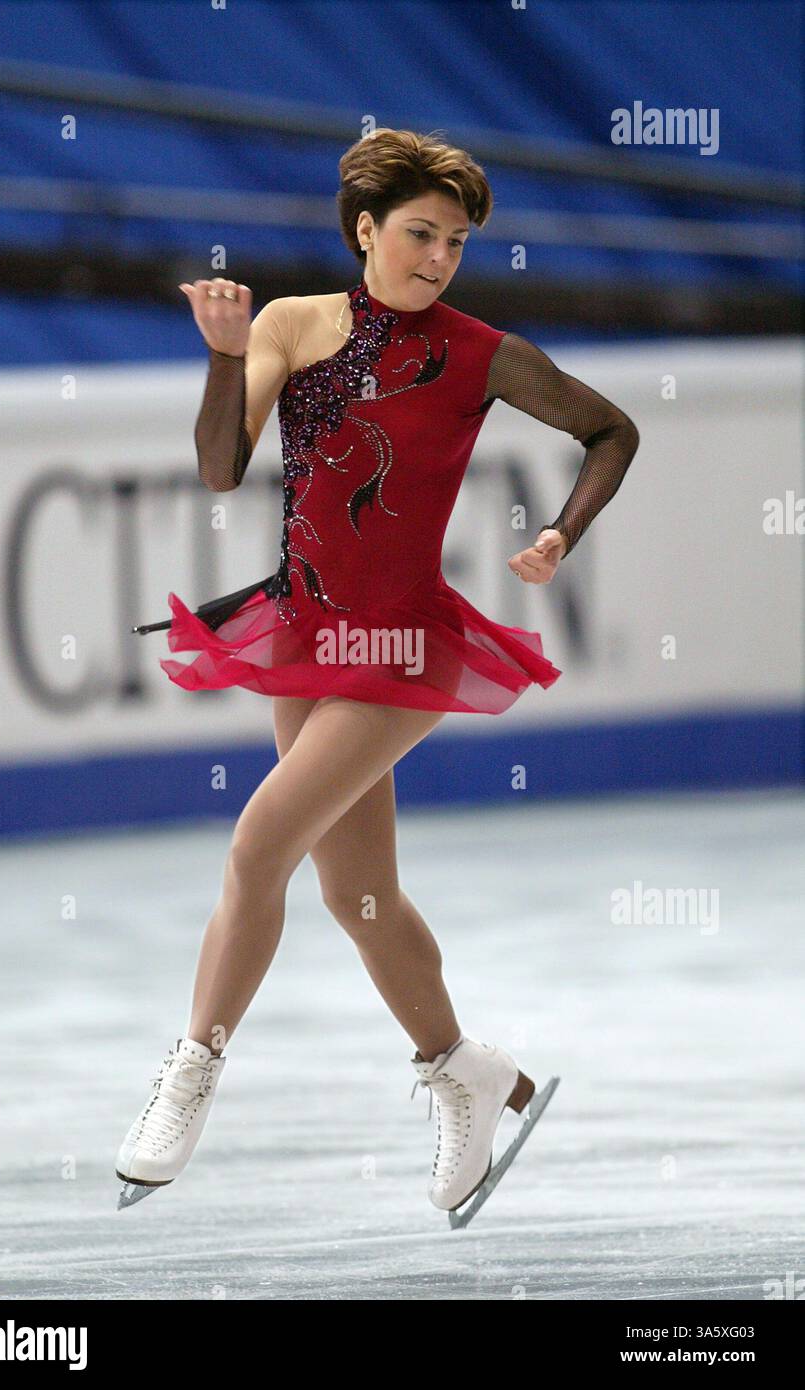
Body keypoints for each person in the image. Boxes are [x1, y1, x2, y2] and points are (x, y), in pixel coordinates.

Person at [116, 128, 640, 1215]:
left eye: (454, 240)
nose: (438, 255)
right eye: (419, 233)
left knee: (259, 841)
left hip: (398, 641)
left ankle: (193, 1066)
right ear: (364, 230)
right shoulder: (291, 325)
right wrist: (222, 357)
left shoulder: (479, 351)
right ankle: (463, 1068)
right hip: (303, 627)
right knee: (358, 896)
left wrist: (557, 535)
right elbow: (221, 470)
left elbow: (609, 429)